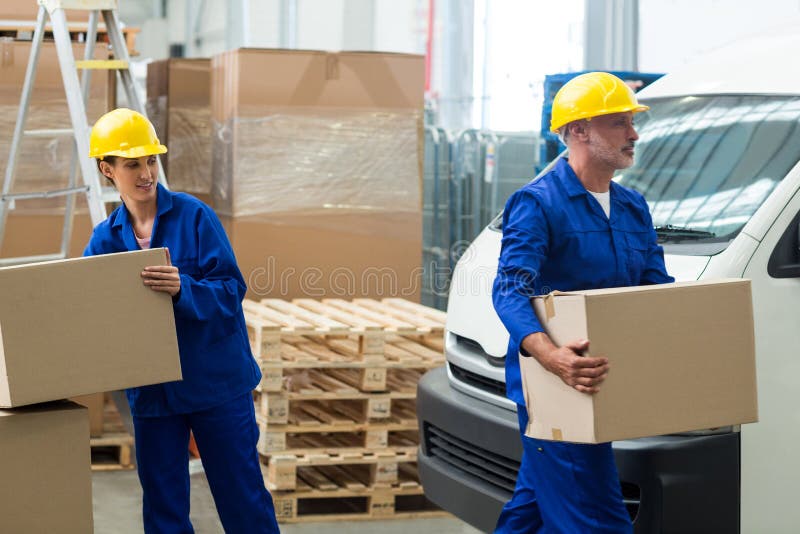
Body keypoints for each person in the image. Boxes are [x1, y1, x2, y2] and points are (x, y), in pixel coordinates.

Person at [492, 72, 674, 533]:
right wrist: (553, 358)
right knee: (597, 520)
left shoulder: (633, 207)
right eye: (619, 123)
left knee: (532, 511)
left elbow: (654, 290)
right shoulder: (539, 203)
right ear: (577, 131)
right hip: (558, 389)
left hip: (604, 384)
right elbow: (509, 289)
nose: (634, 134)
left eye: (632, 122)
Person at [84, 108, 280, 534]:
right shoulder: (104, 240)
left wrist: (183, 289)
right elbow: (92, 311)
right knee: (163, 507)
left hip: (216, 386)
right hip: (154, 394)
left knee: (242, 498)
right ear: (107, 170)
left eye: (151, 161)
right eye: (132, 164)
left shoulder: (195, 218)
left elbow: (231, 290)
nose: (146, 173)